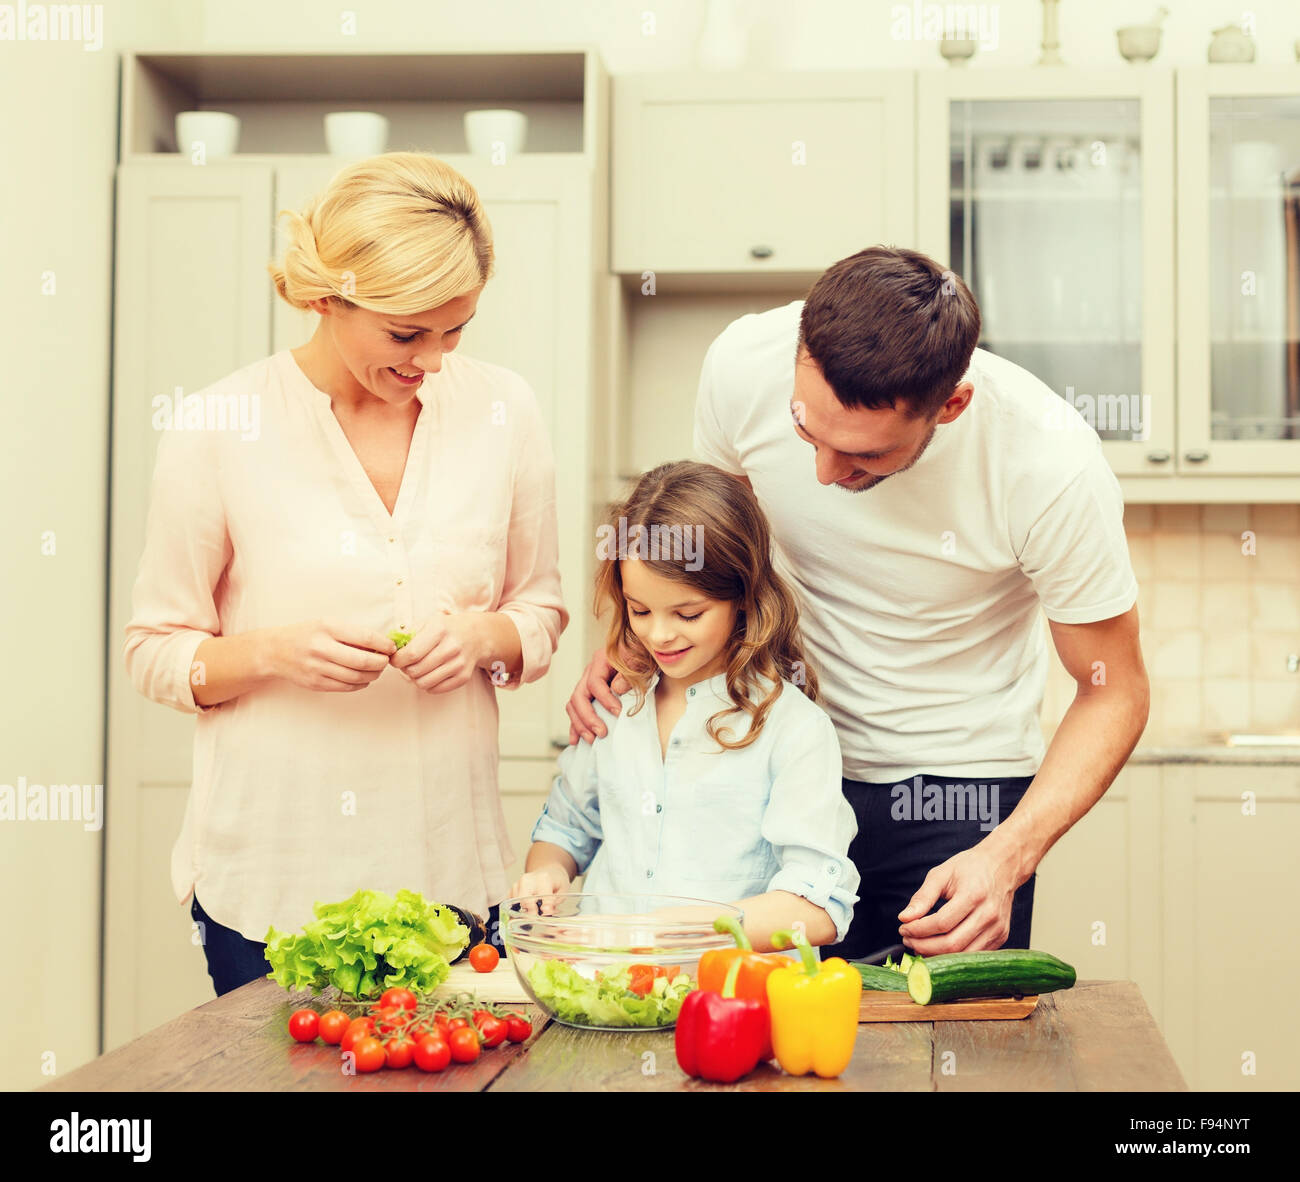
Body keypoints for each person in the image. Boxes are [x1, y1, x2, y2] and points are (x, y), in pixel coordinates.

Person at [566, 246, 1149, 962]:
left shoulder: (1049, 466)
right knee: (778, 1055)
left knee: (944, 1062)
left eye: (863, 458)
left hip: (954, 793)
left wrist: (1006, 855)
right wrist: (633, 646)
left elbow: (1113, 690)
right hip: (776, 760)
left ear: (953, 404)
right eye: (807, 431)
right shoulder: (743, 364)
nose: (821, 471)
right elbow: (716, 558)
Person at [125, 152, 567, 995]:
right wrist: (271, 654)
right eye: (406, 333)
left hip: (451, 877)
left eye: (457, 329)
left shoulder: (505, 411)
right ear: (328, 297)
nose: (433, 360)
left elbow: (540, 610)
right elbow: (154, 648)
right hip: (272, 884)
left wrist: (484, 637)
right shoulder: (220, 425)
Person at [510, 461, 859, 951]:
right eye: (639, 610)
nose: (658, 634)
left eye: (687, 613)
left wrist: (651, 933)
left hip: (727, 999)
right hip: (605, 990)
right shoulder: (614, 704)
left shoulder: (794, 729)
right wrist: (547, 873)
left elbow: (815, 908)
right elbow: (565, 829)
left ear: (743, 594)